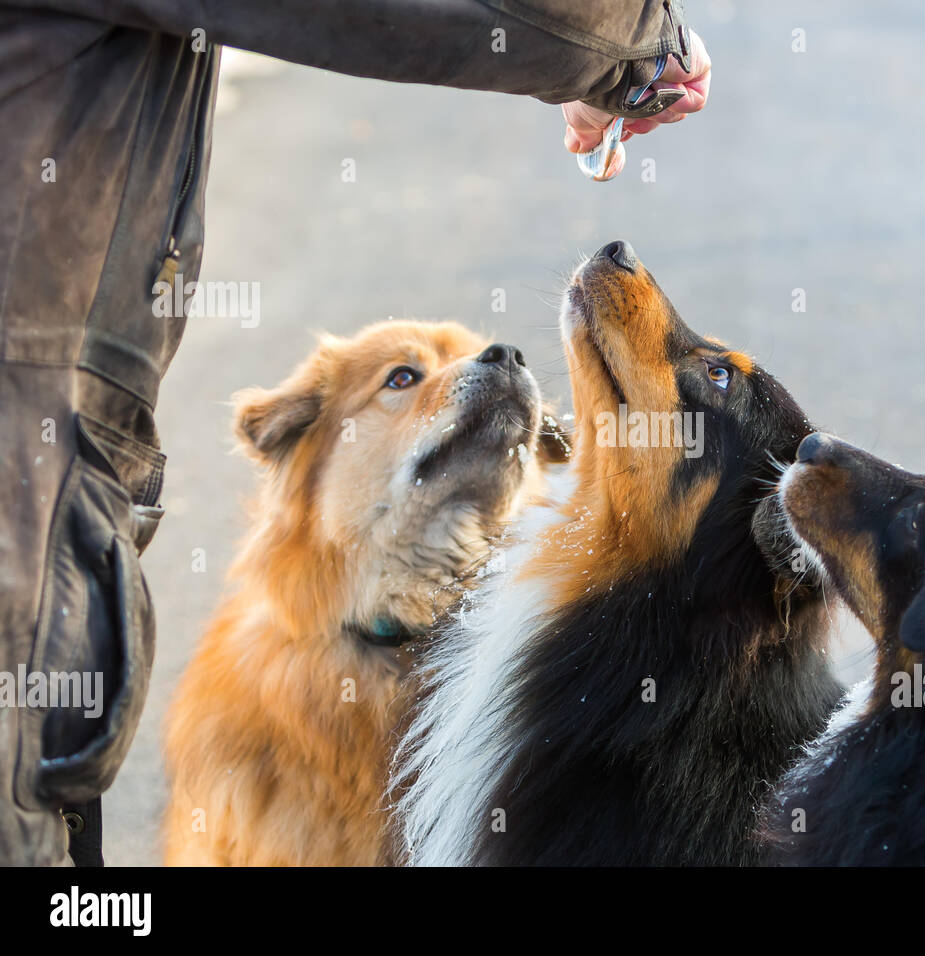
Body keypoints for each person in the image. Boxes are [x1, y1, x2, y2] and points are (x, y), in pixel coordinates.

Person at [0, 0, 711, 866]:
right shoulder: (254, 704)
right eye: (403, 381)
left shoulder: (532, 692)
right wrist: (628, 46)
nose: (468, 374)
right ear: (295, 445)